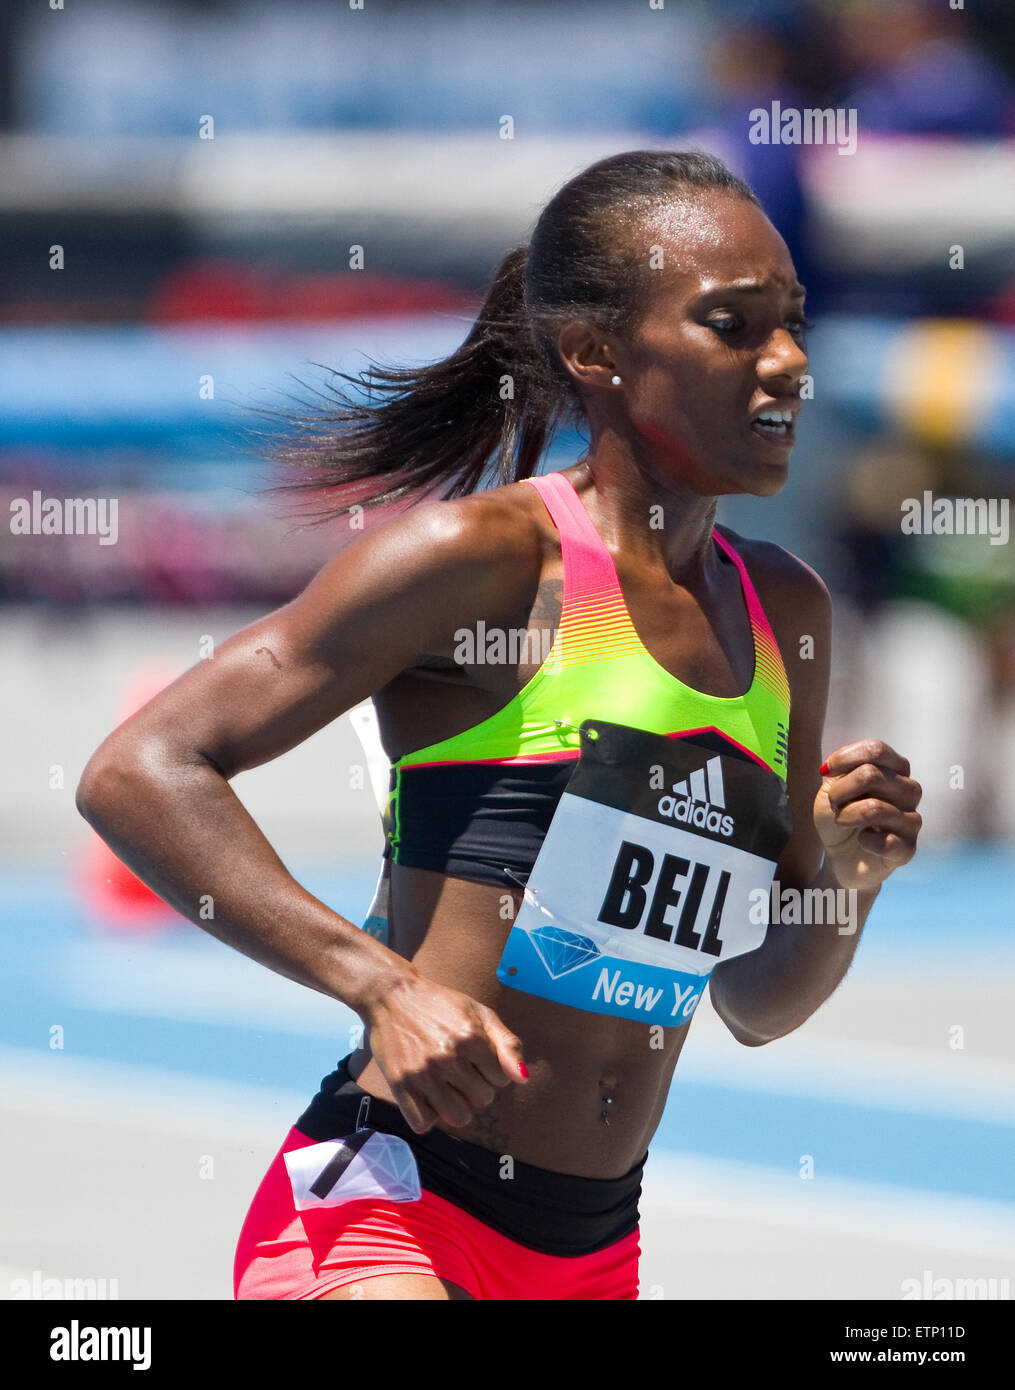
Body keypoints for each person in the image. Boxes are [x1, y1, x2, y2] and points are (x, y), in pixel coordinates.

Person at [75, 151, 923, 1301]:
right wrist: (380, 984)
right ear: (595, 353)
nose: (786, 363)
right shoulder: (481, 564)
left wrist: (845, 880)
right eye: (733, 325)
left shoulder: (782, 610)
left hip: (592, 1252)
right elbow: (139, 767)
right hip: (391, 1211)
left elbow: (753, 1001)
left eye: (793, 324)